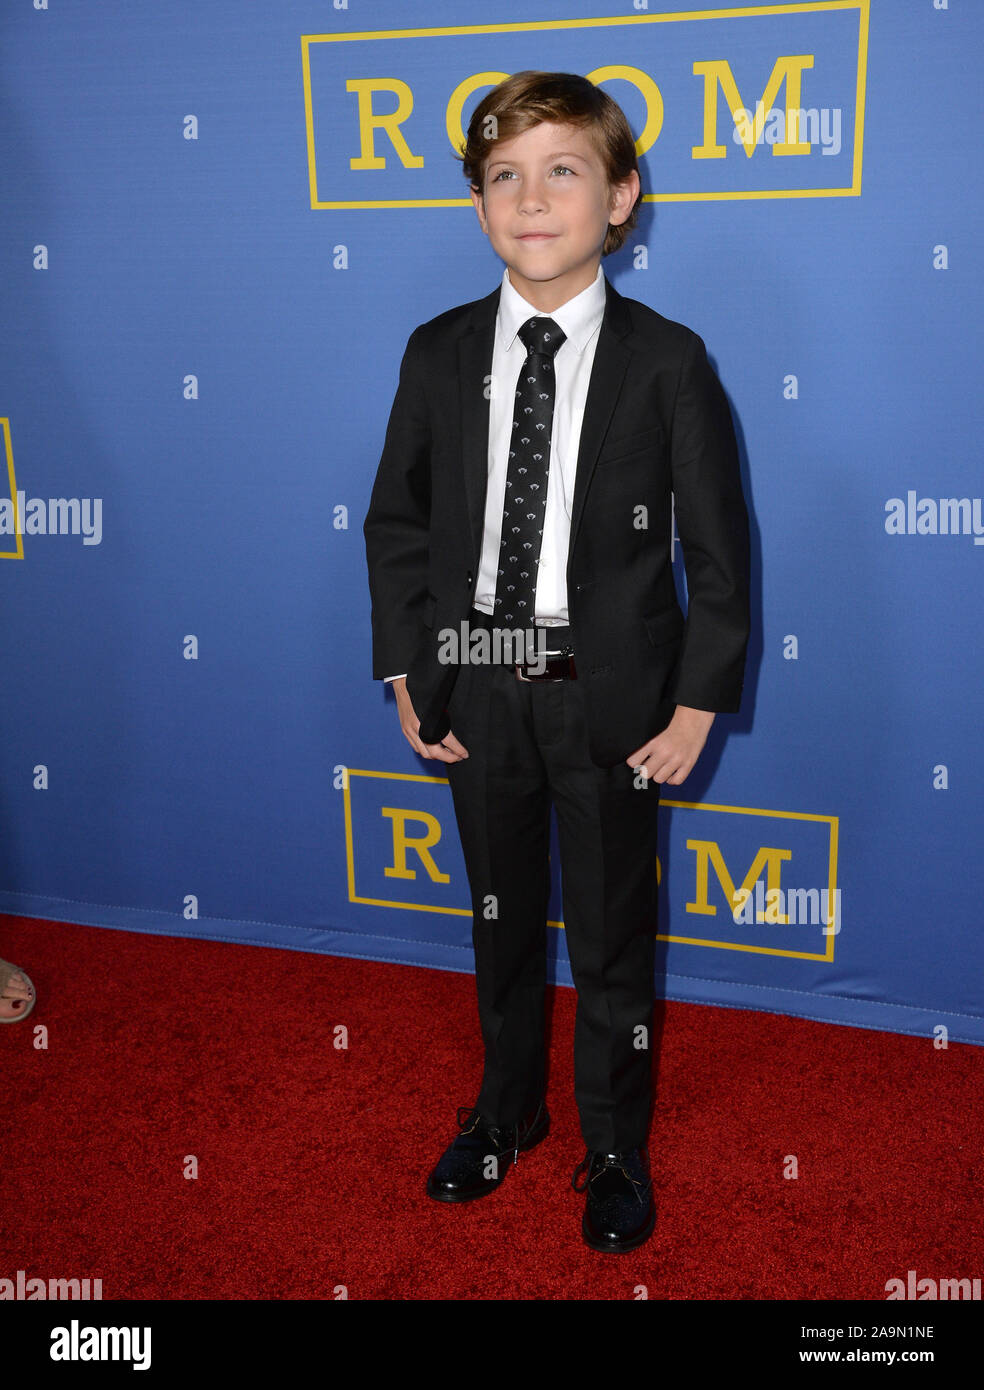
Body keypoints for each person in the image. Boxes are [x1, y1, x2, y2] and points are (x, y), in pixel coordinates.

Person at [363, 71, 750, 1253]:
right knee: (499, 919)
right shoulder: (436, 352)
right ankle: (504, 1113)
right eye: (504, 177)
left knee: (612, 934)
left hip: (615, 696)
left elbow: (716, 553)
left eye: (563, 171)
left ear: (622, 197)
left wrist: (695, 700)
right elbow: (401, 526)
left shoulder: (670, 362)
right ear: (480, 206)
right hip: (479, 672)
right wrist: (405, 670)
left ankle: (615, 1143)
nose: (533, 198)